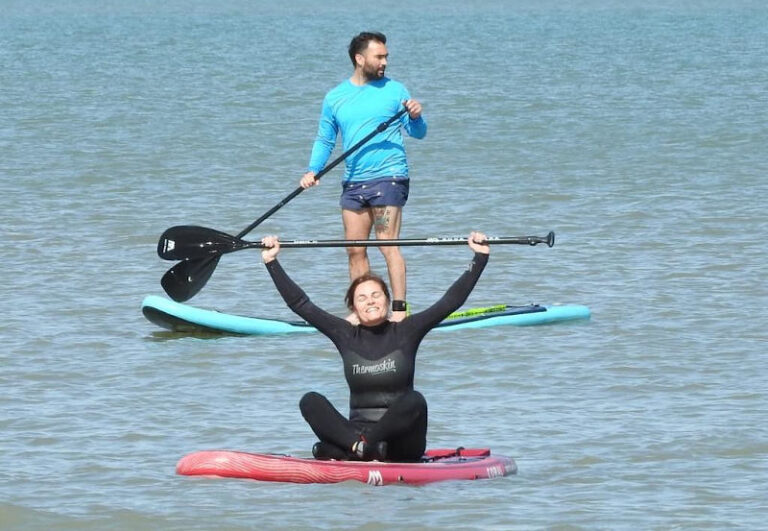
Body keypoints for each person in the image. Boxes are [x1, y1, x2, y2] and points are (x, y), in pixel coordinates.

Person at [260, 232, 490, 462]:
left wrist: (479, 259)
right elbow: (301, 304)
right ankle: (360, 448)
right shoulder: (345, 334)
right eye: (362, 298)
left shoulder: (407, 331)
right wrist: (272, 262)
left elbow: (450, 301)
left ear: (387, 300)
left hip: (403, 442)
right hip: (356, 434)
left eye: (375, 295)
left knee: (415, 400)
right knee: (310, 401)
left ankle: (349, 451)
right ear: (354, 309)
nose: (370, 301)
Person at [299, 31, 427, 323]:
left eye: (385, 56)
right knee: (355, 250)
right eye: (378, 56)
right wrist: (312, 170)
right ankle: (362, 312)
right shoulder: (335, 98)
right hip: (353, 182)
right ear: (360, 59)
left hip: (389, 178)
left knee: (388, 244)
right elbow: (325, 140)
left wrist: (417, 116)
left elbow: (419, 133)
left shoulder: (395, 91)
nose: (384, 62)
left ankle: (398, 312)